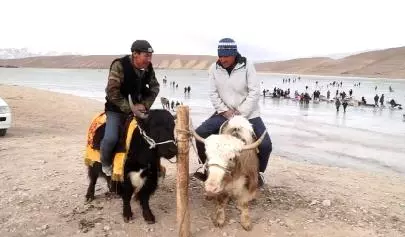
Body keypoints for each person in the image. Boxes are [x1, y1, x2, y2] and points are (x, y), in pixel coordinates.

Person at [193, 38, 272, 186]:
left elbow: (254, 92)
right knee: (200, 134)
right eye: (220, 56)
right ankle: (205, 167)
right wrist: (225, 111)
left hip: (249, 114)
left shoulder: (247, 65)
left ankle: (259, 173)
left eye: (226, 56)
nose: (222, 59)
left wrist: (241, 113)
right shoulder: (214, 69)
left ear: (234, 54)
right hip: (224, 113)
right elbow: (213, 93)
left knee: (266, 145)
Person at [100, 40, 160, 176]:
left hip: (139, 108)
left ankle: (153, 165)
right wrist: (129, 108)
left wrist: (145, 104)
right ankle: (105, 163)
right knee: (111, 138)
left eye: (150, 56)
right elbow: (111, 91)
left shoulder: (148, 67)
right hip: (116, 109)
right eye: (146, 55)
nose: (149, 59)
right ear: (135, 54)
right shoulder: (119, 65)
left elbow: (155, 87)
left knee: (156, 133)